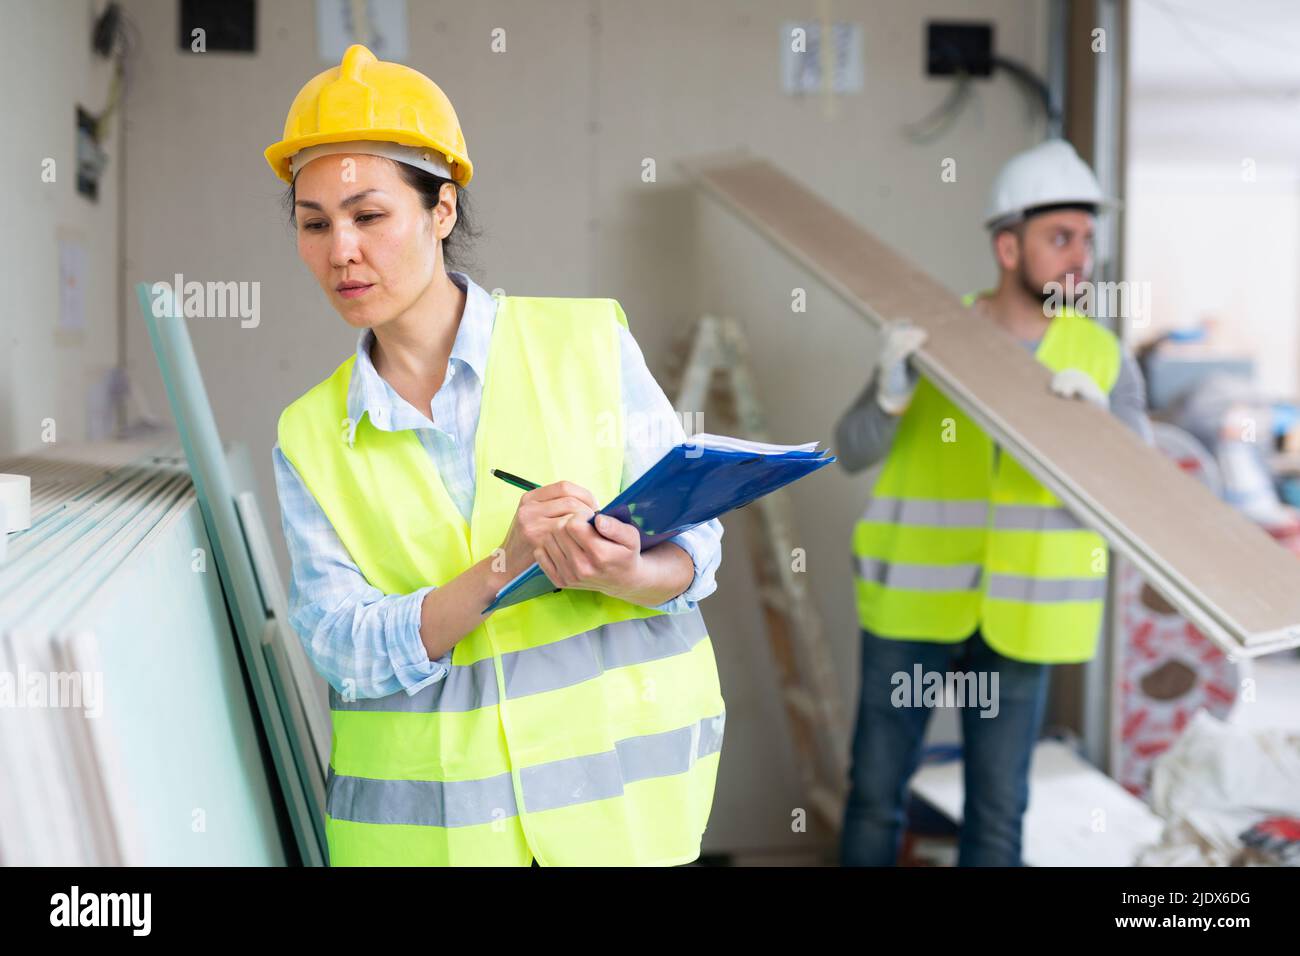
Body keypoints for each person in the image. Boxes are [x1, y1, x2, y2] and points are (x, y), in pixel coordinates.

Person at [265, 45, 726, 866]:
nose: (340, 251)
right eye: (314, 223)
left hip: (620, 824)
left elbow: (698, 547)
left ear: (442, 210)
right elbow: (342, 649)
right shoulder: (309, 435)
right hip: (434, 846)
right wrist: (501, 570)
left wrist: (624, 571)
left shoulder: (585, 342)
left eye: (369, 217)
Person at [835, 139, 1152, 866]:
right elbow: (849, 448)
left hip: (1024, 615)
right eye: (1060, 238)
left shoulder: (1105, 361)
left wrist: (1102, 429)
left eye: (1087, 239)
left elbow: (1144, 502)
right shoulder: (932, 339)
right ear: (1008, 247)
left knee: (998, 815)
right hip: (912, 605)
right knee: (875, 795)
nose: (1082, 257)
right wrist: (890, 392)